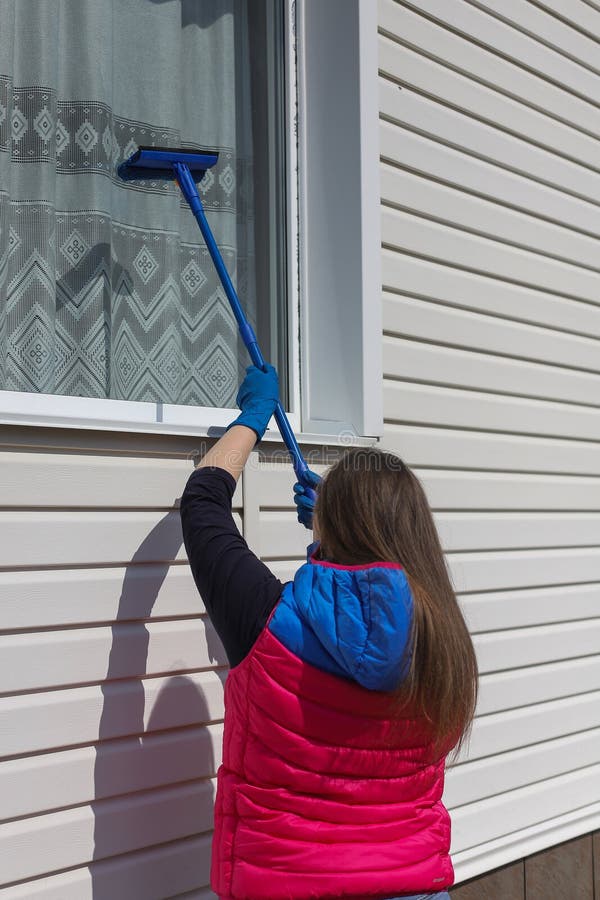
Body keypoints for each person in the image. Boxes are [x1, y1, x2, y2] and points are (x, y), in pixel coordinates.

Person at [180, 364, 478, 900]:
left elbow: (204, 503)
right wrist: (334, 533)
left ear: (335, 527)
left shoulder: (267, 621)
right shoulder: (443, 643)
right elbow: (373, 600)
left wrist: (253, 417)